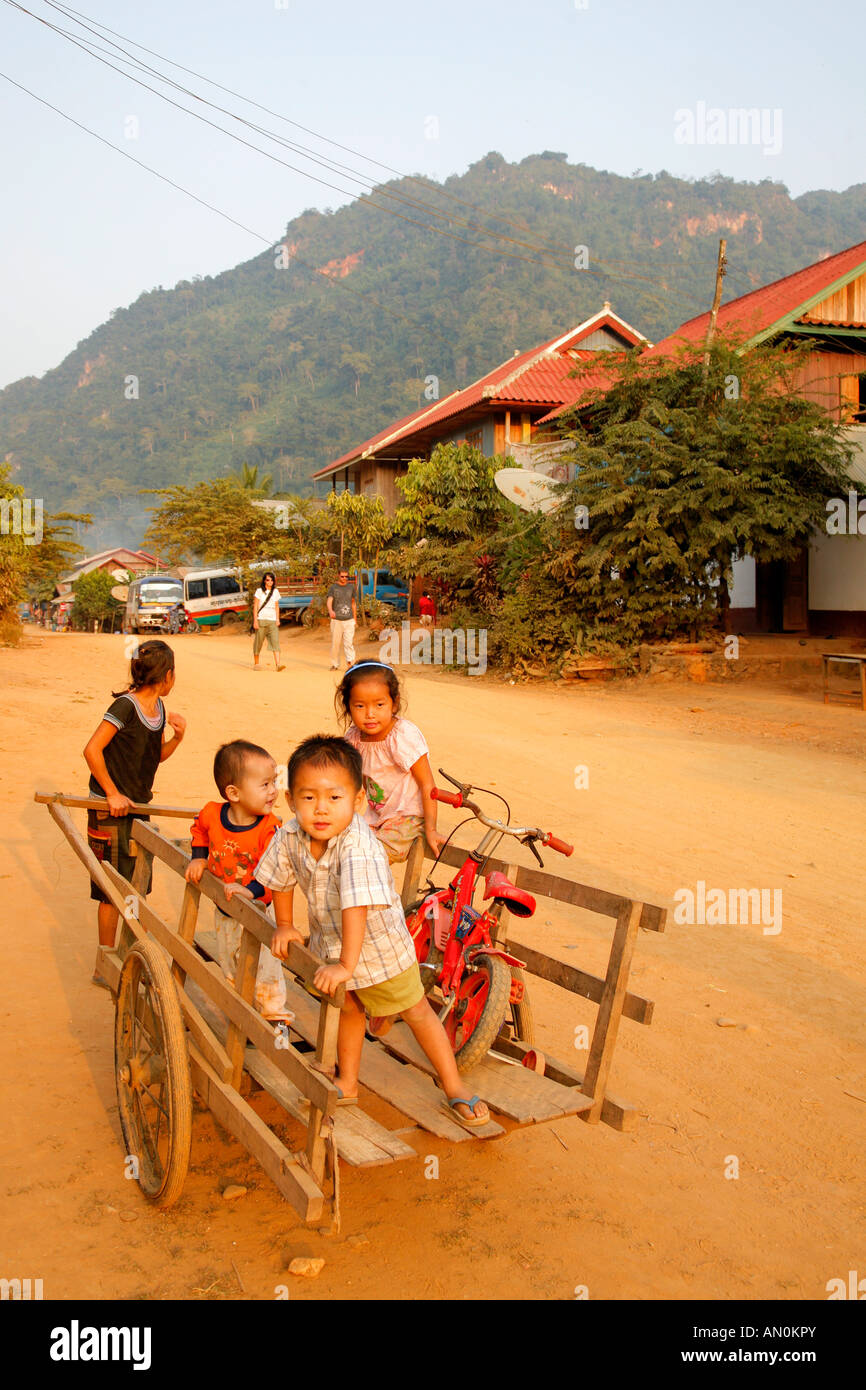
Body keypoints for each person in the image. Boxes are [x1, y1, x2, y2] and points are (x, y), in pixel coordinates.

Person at [227, 735, 490, 1129]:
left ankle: (452, 1085)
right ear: (289, 800)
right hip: (335, 948)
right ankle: (347, 1082)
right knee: (348, 1008)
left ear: (359, 800)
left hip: (381, 952)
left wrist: (346, 965)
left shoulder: (358, 847)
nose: (320, 810)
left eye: (334, 798)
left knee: (416, 1011)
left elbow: (356, 907)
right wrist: (284, 924)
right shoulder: (289, 835)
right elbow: (280, 879)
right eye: (308, 797)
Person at [83, 640, 186, 987]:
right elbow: (92, 749)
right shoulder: (125, 706)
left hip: (137, 808)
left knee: (134, 884)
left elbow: (152, 758)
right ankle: (103, 962)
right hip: (108, 810)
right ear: (166, 675)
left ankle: (129, 955)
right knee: (110, 888)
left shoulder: (157, 708)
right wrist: (111, 793)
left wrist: (178, 738)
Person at [185, 741, 292, 1024]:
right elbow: (199, 830)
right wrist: (199, 857)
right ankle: (241, 1016)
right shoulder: (212, 814)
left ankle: (276, 1020)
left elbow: (276, 869)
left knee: (266, 971)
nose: (273, 791)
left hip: (259, 912)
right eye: (265, 784)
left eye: (274, 783)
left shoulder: (270, 828)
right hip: (225, 912)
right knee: (230, 965)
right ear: (233, 793)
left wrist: (250, 890)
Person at [336, 660, 445, 866]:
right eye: (360, 706)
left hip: (408, 819)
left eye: (379, 705)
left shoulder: (402, 736)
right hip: (376, 818)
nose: (370, 713)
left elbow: (427, 785)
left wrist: (431, 829)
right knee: (339, 847)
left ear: (394, 703)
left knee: (368, 860)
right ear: (348, 707)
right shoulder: (353, 738)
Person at [252, 571, 284, 672]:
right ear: (264, 581)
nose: (270, 581)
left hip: (272, 620)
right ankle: (256, 663)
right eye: (268, 580)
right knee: (258, 642)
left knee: (275, 642)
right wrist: (255, 621)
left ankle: (278, 664)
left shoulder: (276, 592)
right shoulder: (259, 591)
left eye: (272, 579)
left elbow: (276, 606)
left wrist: (278, 619)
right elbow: (256, 606)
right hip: (261, 619)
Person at [326, 567, 357, 670]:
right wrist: (330, 611)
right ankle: (335, 664)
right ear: (338, 576)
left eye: (346, 576)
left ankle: (351, 664)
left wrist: (355, 619)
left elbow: (353, 603)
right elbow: (329, 600)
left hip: (349, 620)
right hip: (337, 620)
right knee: (336, 644)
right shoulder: (333, 588)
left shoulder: (351, 587)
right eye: (342, 576)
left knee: (349, 643)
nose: (344, 578)